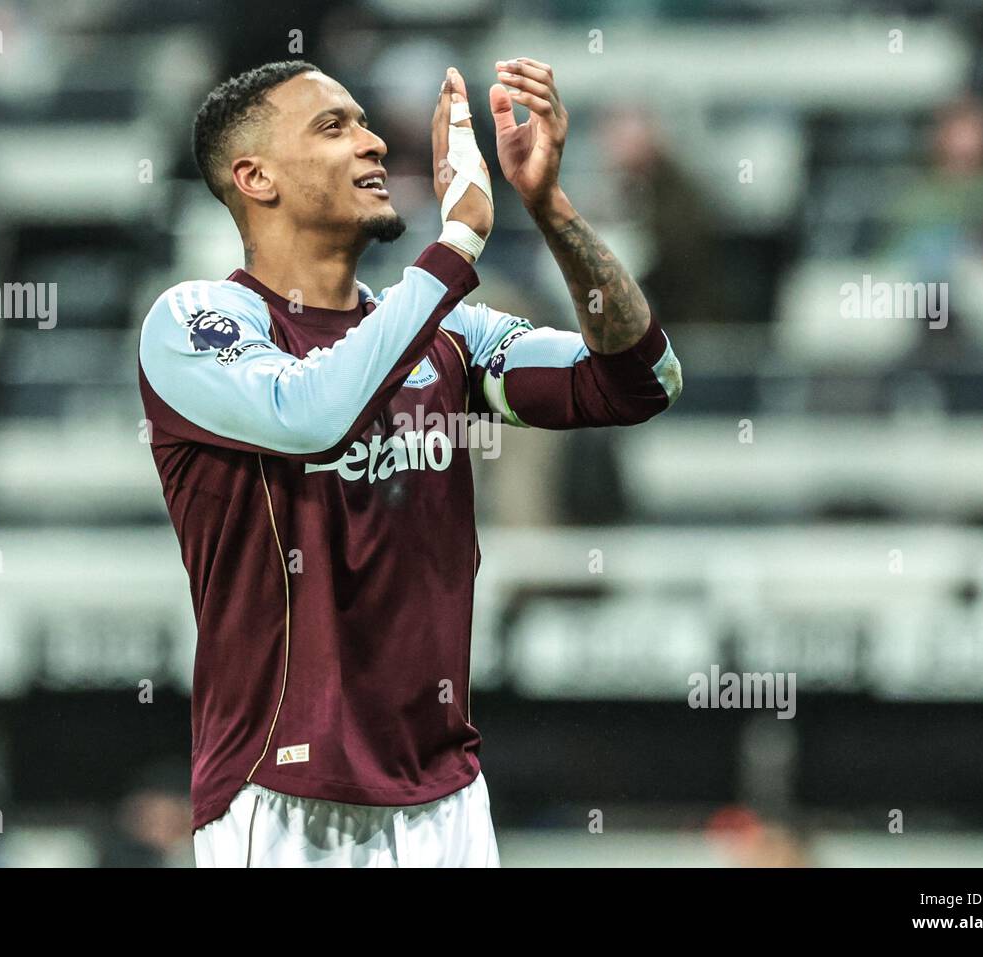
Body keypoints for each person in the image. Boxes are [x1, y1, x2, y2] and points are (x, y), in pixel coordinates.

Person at [137, 58, 682, 867]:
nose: (372, 143)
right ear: (255, 176)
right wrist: (457, 240)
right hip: (283, 800)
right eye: (334, 128)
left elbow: (643, 380)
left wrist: (551, 210)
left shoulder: (449, 335)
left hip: (447, 804)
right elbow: (309, 412)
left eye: (364, 121)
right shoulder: (196, 322)